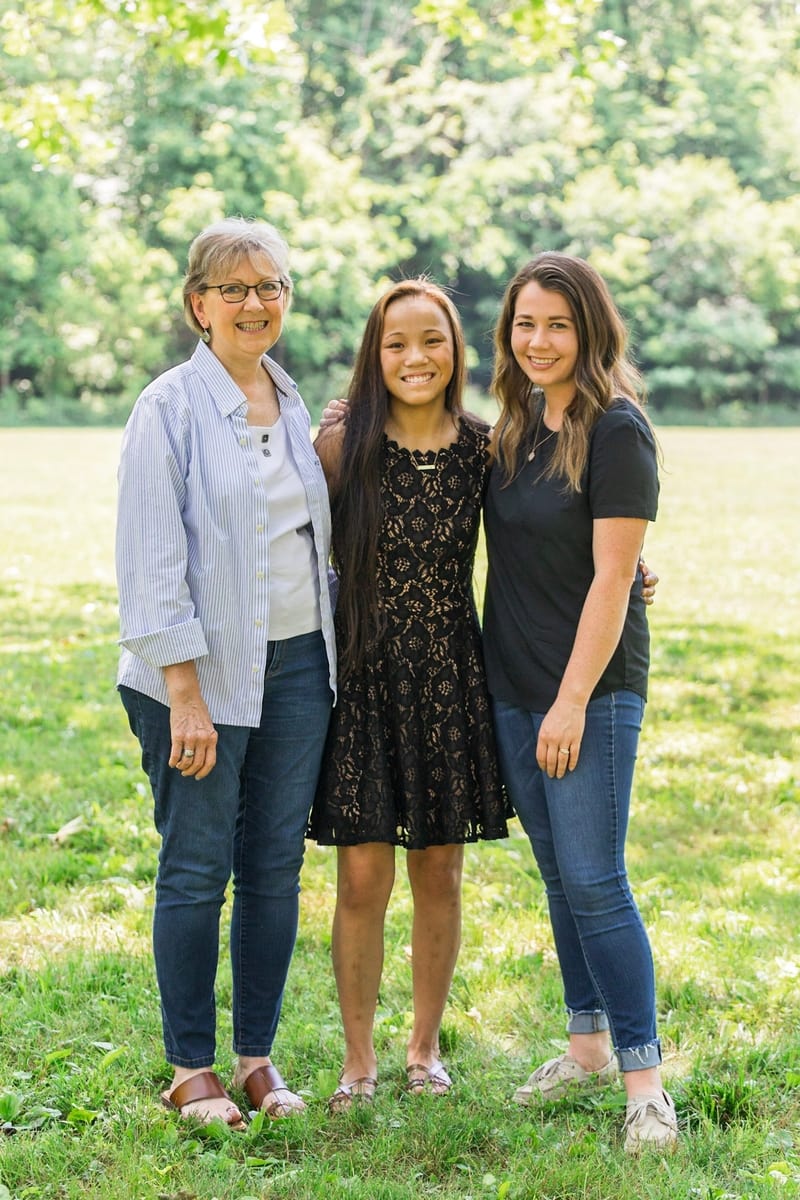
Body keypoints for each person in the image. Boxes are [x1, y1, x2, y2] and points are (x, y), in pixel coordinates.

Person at [116, 217, 336, 1129]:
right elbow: (151, 557)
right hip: (195, 680)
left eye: (271, 286)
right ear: (198, 304)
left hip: (296, 672)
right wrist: (185, 696)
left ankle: (255, 1057)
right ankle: (188, 1068)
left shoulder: (290, 402)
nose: (256, 303)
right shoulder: (167, 409)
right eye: (235, 289)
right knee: (199, 867)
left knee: (274, 868)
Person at [483, 251, 676, 1152]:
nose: (539, 339)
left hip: (586, 696)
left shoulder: (617, 430)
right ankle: (587, 1045)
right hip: (513, 686)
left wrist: (570, 701)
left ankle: (644, 1082)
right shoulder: (514, 428)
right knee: (561, 877)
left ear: (590, 330)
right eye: (526, 323)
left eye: (557, 323)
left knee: (598, 882)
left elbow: (610, 582)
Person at [308, 279, 510, 1110]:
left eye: (431, 340)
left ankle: (423, 1049)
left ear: (455, 350)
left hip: (450, 677)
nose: (415, 357)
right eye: (396, 344)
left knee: (440, 870)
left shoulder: (486, 449)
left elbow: (542, 541)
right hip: (363, 679)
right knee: (361, 879)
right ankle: (359, 1060)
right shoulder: (339, 446)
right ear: (374, 352)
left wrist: (625, 570)